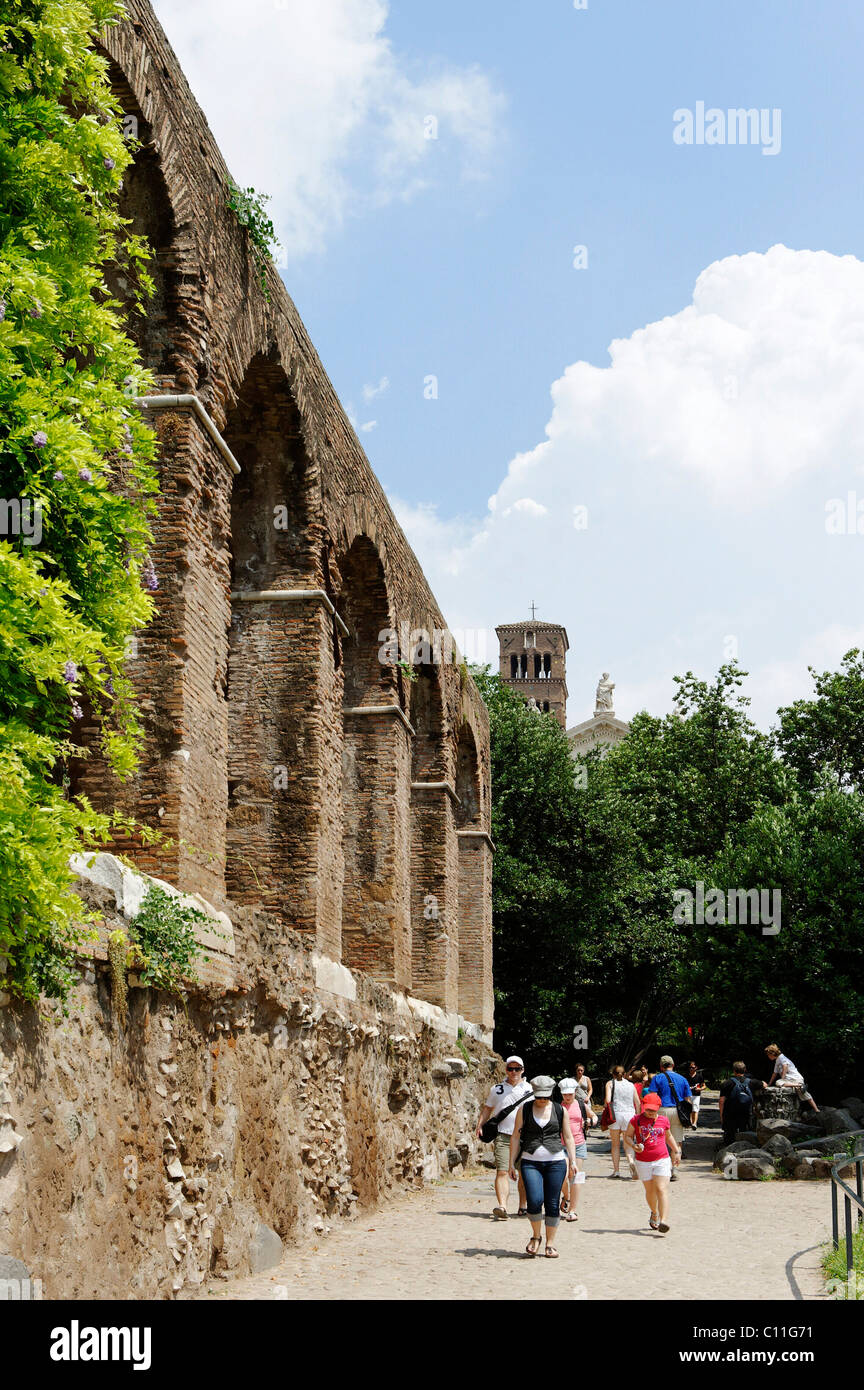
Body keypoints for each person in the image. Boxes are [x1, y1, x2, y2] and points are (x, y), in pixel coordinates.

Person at [509, 1075, 578, 1257]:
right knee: (534, 1200)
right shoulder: (524, 1110)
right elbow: (515, 1137)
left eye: (545, 1097)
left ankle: (550, 1243)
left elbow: (568, 1136)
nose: (542, 1100)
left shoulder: (559, 1110)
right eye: (539, 1096)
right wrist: (511, 1163)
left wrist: (573, 1160)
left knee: (552, 1203)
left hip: (555, 1161)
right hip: (530, 1161)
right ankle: (535, 1236)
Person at [476, 1055, 532, 1219]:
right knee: (502, 1171)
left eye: (517, 1069)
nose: (514, 1072)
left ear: (522, 1070)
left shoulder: (530, 1090)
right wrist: (480, 1125)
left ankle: (523, 1205)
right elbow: (488, 1108)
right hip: (503, 1135)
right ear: (506, 1069)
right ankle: (502, 1206)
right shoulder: (497, 1089)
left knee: (524, 1173)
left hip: (524, 1137)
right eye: (510, 1068)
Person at [623, 1090, 681, 1234]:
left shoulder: (663, 1120)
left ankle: (664, 1221)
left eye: (653, 1110)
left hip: (661, 1159)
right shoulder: (635, 1120)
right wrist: (633, 1145)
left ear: (658, 1108)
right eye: (647, 1109)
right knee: (650, 1191)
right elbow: (627, 1136)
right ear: (643, 1106)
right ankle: (654, 1212)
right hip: (643, 1161)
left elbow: (668, 1136)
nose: (650, 1112)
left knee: (661, 1189)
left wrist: (676, 1151)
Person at [648, 1056, 692, 1179]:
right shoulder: (683, 1079)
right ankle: (675, 1169)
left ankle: (661, 1169)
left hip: (662, 1111)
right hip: (678, 1111)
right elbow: (688, 1100)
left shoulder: (657, 1078)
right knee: (677, 1141)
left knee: (659, 1140)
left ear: (661, 1067)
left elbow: (653, 1097)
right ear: (673, 1065)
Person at [558, 1079, 589, 1221]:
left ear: (575, 1092)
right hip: (562, 1145)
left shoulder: (581, 1105)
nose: (568, 1097)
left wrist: (592, 1120)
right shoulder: (558, 1108)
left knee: (576, 1176)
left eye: (570, 1094)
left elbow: (592, 1116)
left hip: (579, 1144)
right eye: (565, 1094)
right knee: (563, 1175)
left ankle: (573, 1210)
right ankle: (566, 1196)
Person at [604, 1064, 638, 1177]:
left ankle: (616, 1171)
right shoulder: (631, 1085)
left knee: (615, 1145)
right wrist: (637, 1117)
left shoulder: (610, 1084)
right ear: (624, 1074)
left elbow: (608, 1100)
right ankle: (631, 1162)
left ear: (613, 1074)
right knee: (628, 1143)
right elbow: (637, 1102)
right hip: (629, 1114)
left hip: (615, 1114)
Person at [764, 1044, 819, 1113]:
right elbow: (774, 1073)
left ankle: (799, 1086)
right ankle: (816, 1109)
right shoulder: (777, 1060)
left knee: (778, 1082)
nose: (768, 1056)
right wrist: (769, 1083)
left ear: (772, 1053)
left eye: (768, 1055)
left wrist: (783, 1078)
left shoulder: (781, 1057)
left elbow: (785, 1066)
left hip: (795, 1079)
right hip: (793, 1081)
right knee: (804, 1093)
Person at [718, 1061, 754, 1145]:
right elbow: (764, 1084)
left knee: (729, 1137)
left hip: (730, 1114)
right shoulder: (751, 1082)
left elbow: (721, 1101)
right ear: (745, 1070)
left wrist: (721, 1115)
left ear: (734, 1071)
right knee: (745, 1135)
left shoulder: (726, 1083)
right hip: (746, 1113)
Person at [685, 1060, 705, 1129]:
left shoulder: (699, 1076)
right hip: (688, 1095)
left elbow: (704, 1086)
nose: (691, 1069)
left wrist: (700, 1089)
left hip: (696, 1095)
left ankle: (694, 1123)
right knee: (689, 1110)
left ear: (696, 1068)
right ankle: (689, 1122)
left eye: (693, 1067)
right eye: (690, 1067)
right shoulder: (686, 1076)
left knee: (695, 1110)